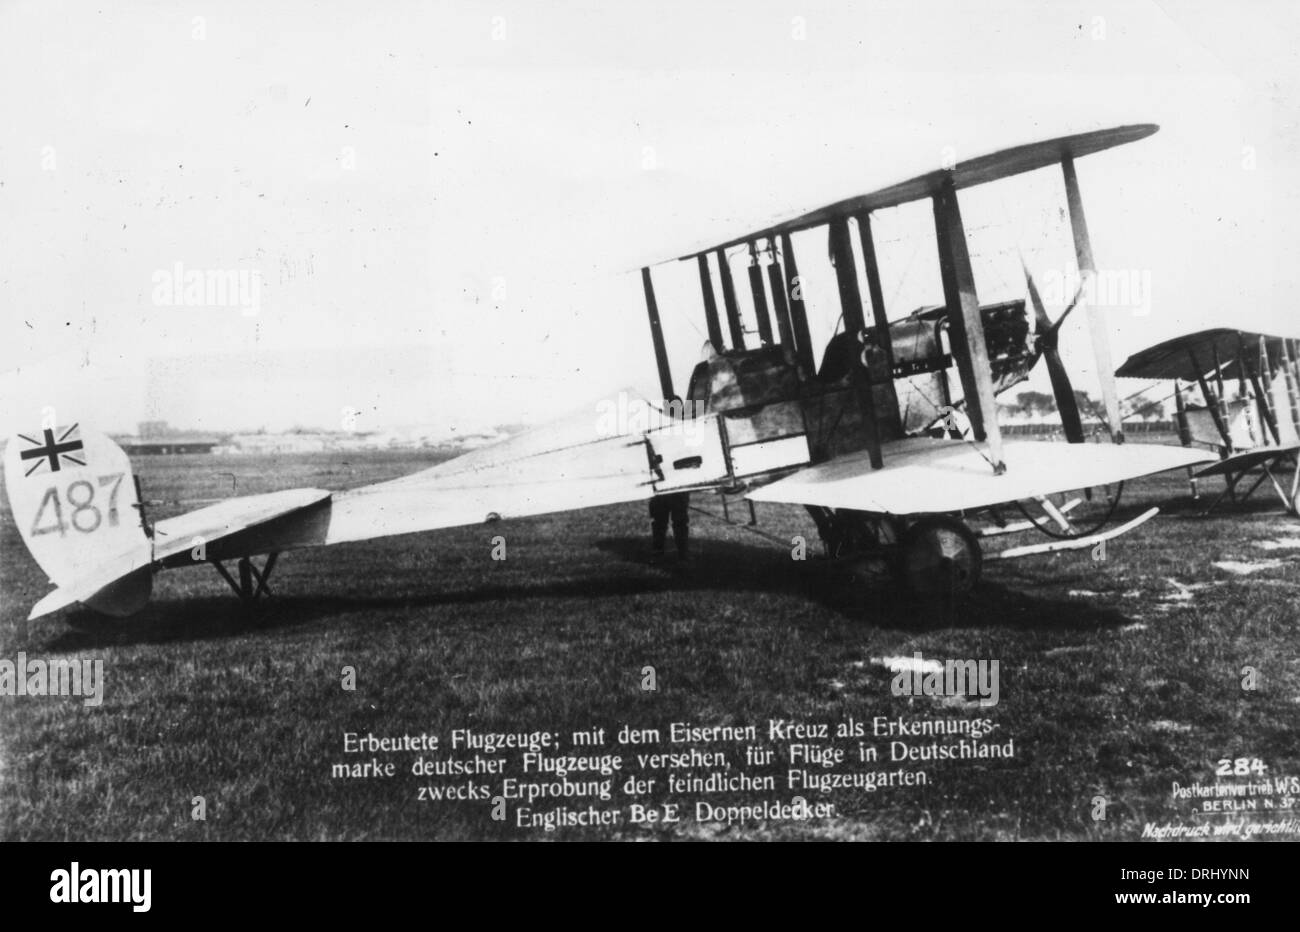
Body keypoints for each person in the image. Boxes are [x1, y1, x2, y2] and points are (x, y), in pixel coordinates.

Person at [649, 492, 690, 561]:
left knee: (680, 522)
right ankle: (657, 551)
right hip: (659, 492)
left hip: (678, 492)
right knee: (659, 522)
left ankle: (683, 553)